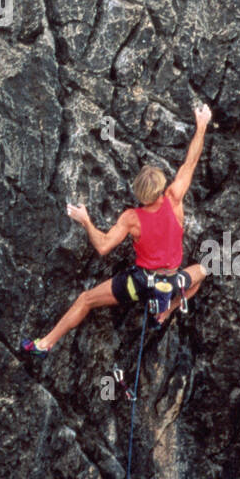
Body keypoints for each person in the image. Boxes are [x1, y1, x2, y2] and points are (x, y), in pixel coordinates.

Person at [21, 104, 212, 358]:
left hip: (141, 284)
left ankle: (44, 344)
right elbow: (191, 161)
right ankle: (166, 311)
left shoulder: (132, 218)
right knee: (201, 272)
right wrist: (201, 126)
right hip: (172, 280)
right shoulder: (174, 198)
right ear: (160, 188)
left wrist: (86, 220)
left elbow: (102, 247)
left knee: (86, 300)